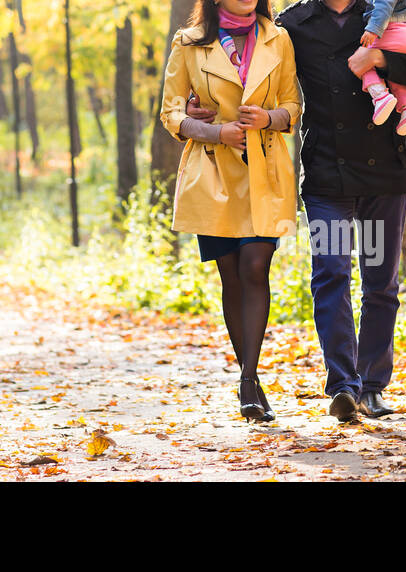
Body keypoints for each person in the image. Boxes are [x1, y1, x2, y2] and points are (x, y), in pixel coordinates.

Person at [190, 0, 406, 422]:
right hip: (327, 178)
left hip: (383, 176)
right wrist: (207, 110)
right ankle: (344, 385)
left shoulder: (383, 12)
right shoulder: (292, 25)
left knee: (380, 283)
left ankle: (373, 386)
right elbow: (257, 75)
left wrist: (379, 56)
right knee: (331, 275)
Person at [159, 0, 303, 423]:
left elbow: (293, 106)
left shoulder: (279, 38)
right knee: (232, 275)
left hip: (265, 170)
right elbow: (171, 112)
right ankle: (252, 382)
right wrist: (215, 130)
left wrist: (269, 117)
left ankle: (247, 378)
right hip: (214, 174)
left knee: (256, 267)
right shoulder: (188, 43)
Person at [356, 0, 406, 135]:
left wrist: (373, 29)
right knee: (392, 69)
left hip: (393, 30)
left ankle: (380, 96)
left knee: (363, 60)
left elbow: (384, 5)